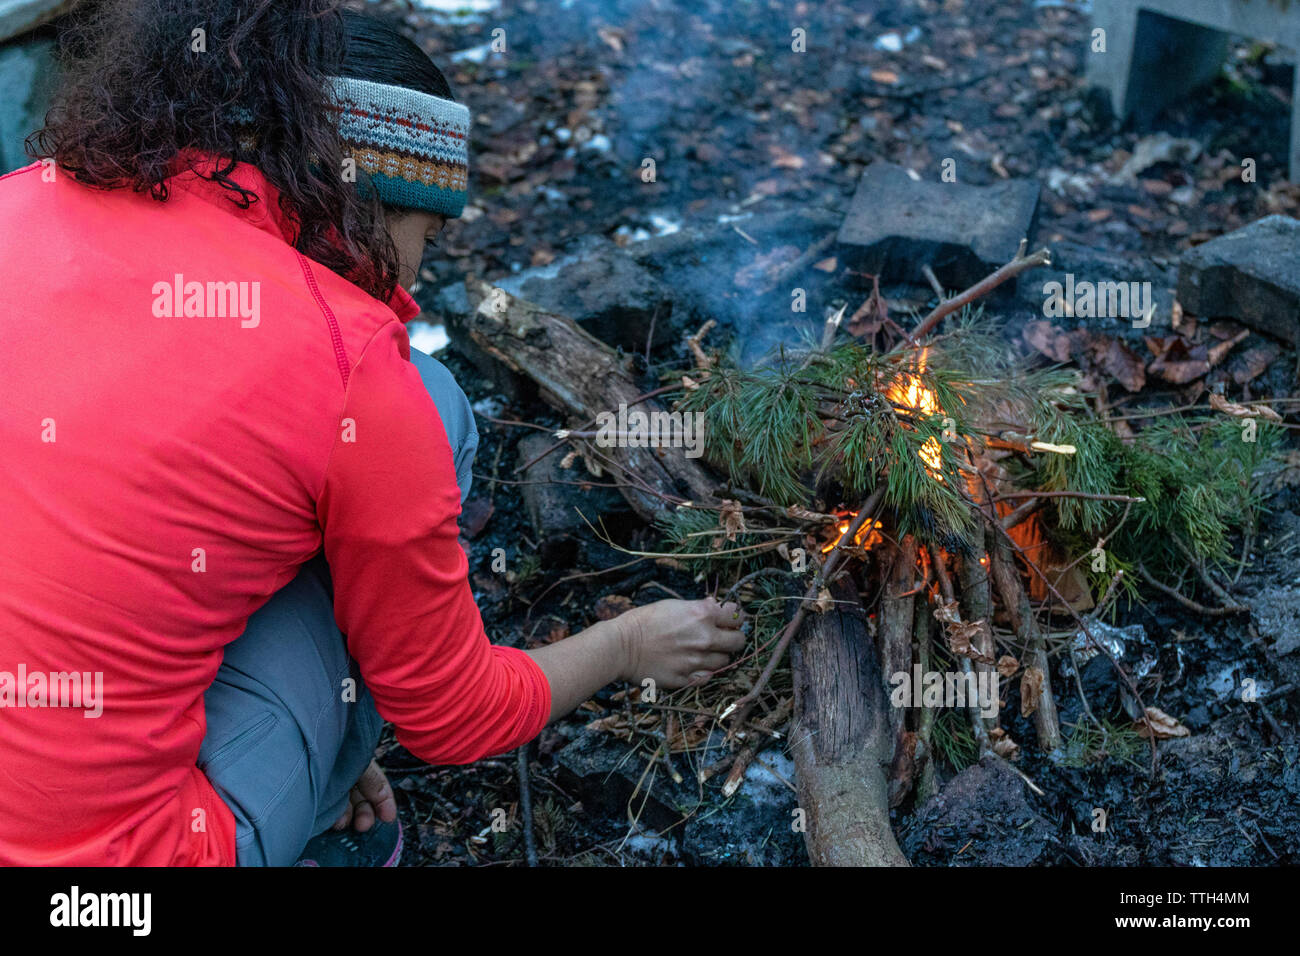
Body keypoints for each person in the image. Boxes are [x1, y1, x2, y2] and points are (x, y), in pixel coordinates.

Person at [0, 0, 743, 867]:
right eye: (425, 232)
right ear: (363, 200)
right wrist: (625, 643)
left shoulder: (23, 200)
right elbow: (456, 718)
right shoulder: (345, 362)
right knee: (432, 402)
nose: (420, 272)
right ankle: (309, 822)